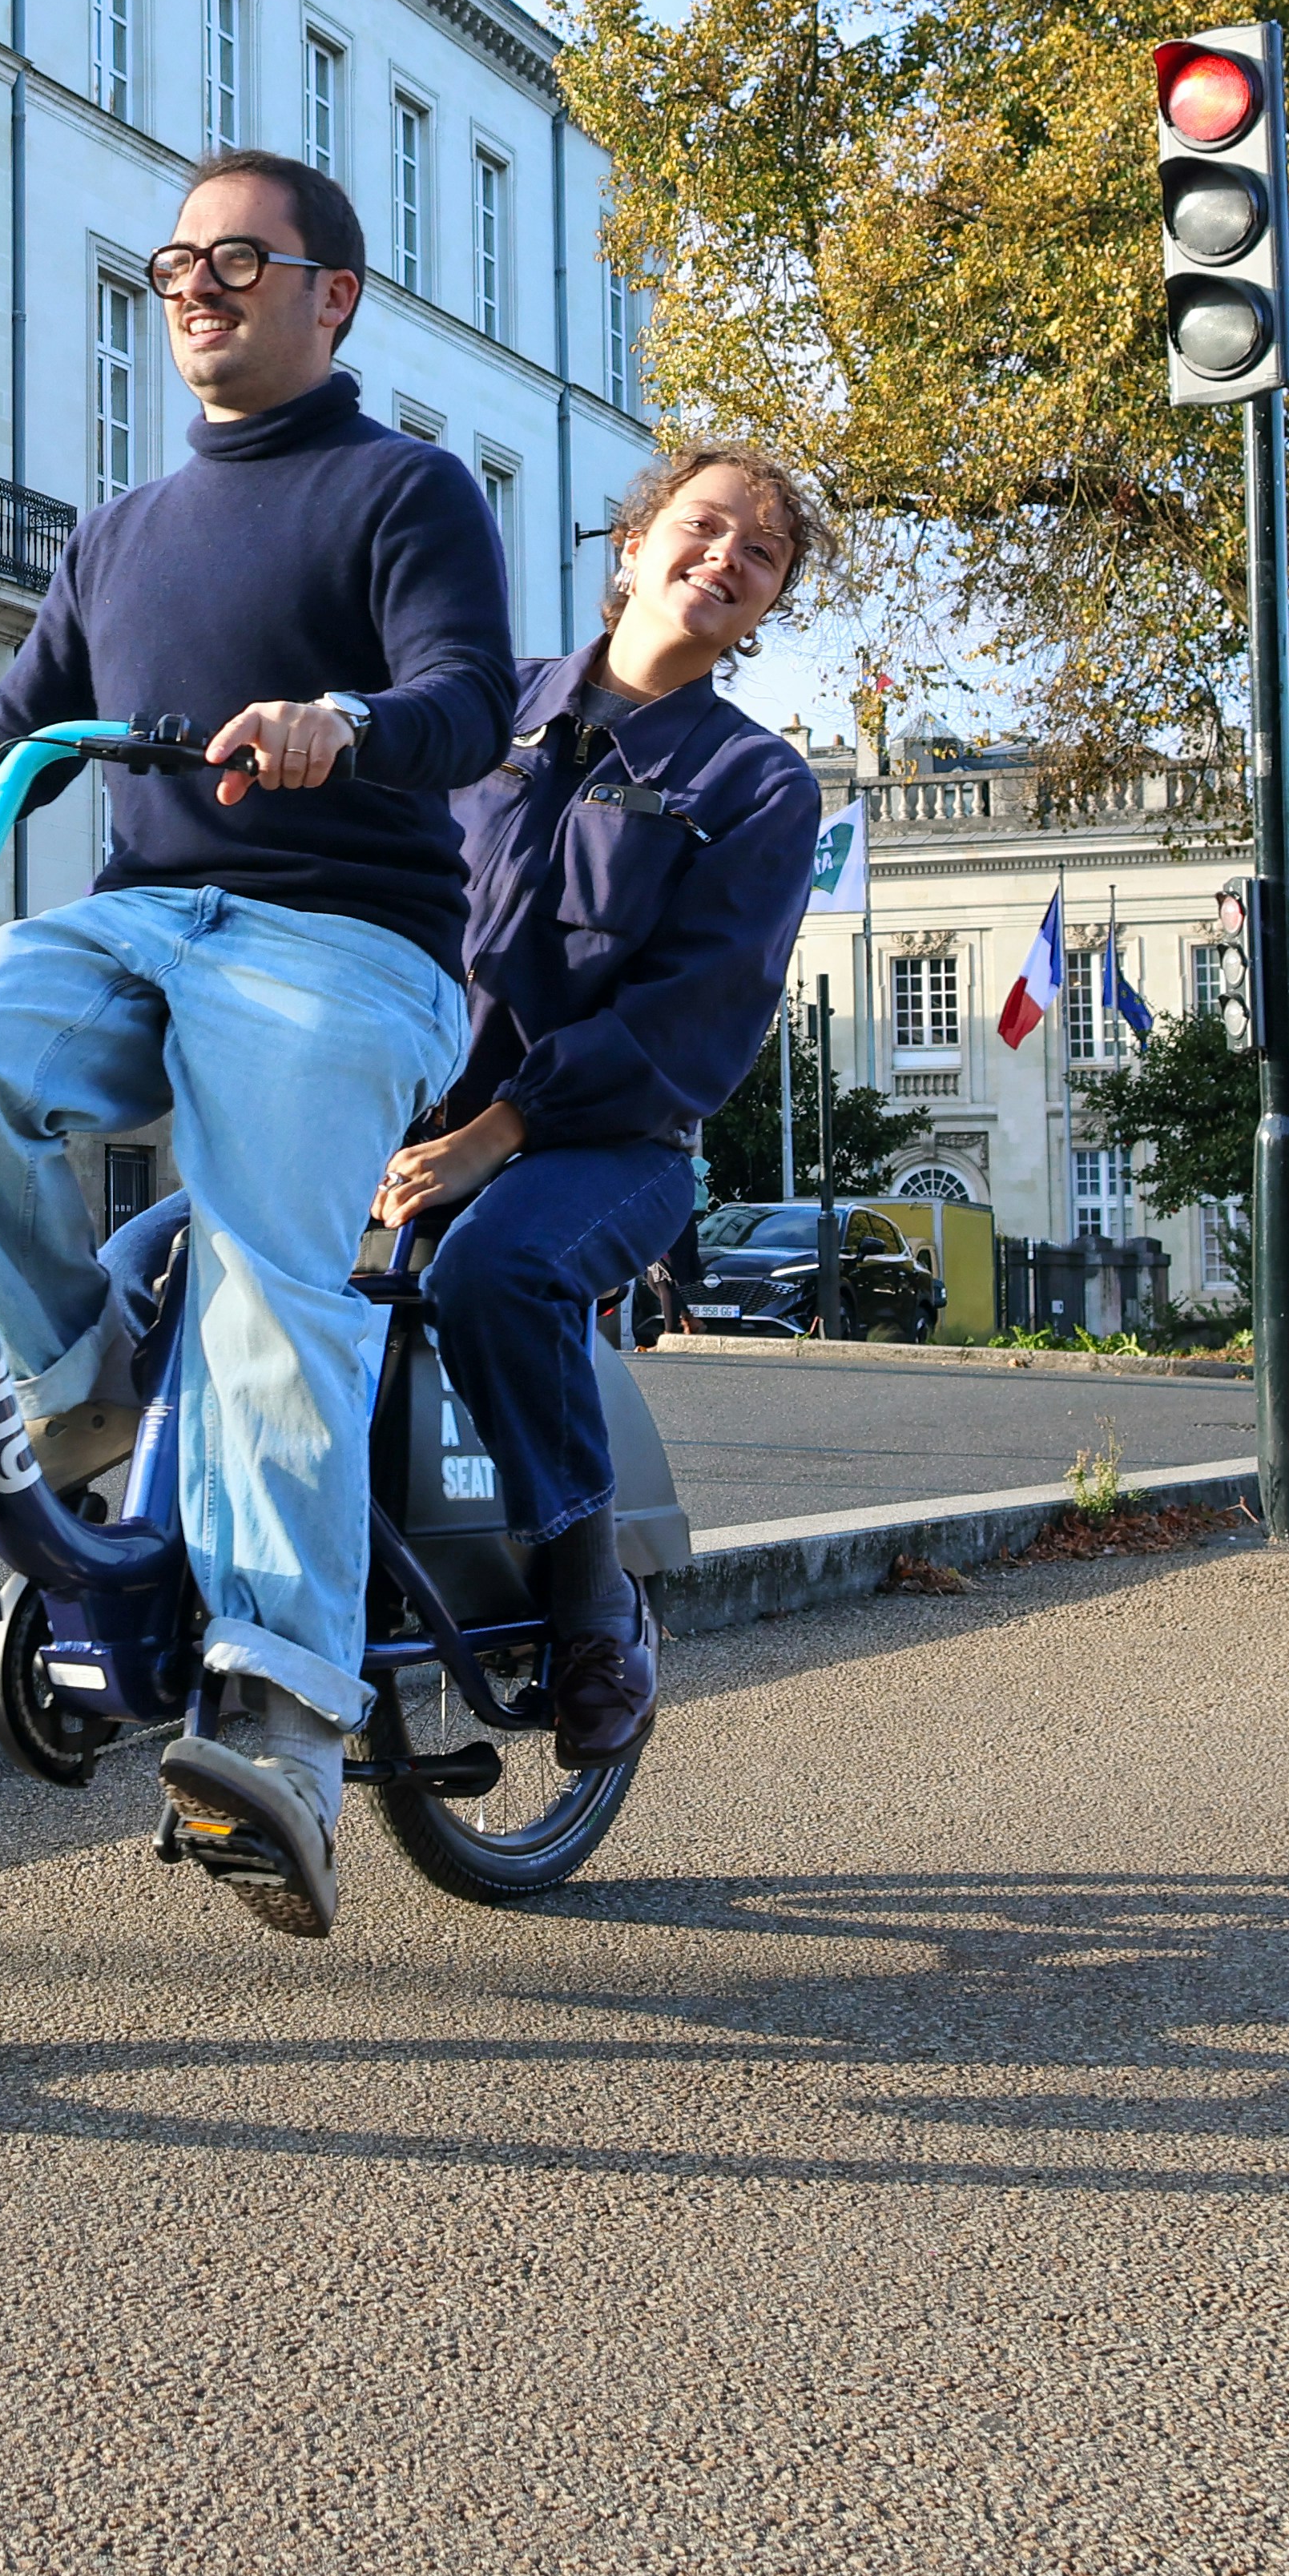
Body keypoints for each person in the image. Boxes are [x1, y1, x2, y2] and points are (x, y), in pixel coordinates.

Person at [0, 145, 512, 1937]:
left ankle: (286, 1720)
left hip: (345, 941)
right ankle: (69, 1386)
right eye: (176, 263)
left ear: (334, 297)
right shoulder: (118, 536)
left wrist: (347, 723)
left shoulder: (408, 491)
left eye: (242, 256)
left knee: (263, 1283)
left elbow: (466, 703)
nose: (200, 285)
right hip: (144, 923)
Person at [369, 442, 831, 1769]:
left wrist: (498, 1132)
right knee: (174, 1248)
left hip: (606, 1145)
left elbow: (694, 1021)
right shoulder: (482, 711)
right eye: (704, 527)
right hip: (403, 1116)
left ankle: (590, 1607)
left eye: (762, 552)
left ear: (770, 602)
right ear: (630, 547)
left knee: (497, 1277)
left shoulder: (757, 786)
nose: (726, 559)